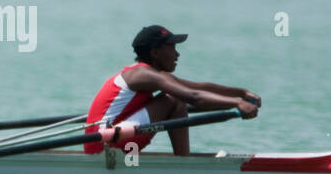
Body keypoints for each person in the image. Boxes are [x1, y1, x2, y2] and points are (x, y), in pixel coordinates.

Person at [84, 25, 259, 155]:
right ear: (155, 53)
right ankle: (183, 164)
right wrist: (237, 103)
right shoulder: (143, 75)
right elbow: (195, 97)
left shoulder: (149, 74)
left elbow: (197, 88)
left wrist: (241, 93)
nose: (177, 55)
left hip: (105, 140)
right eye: (172, 48)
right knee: (174, 100)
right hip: (105, 143)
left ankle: (182, 161)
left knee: (177, 97)